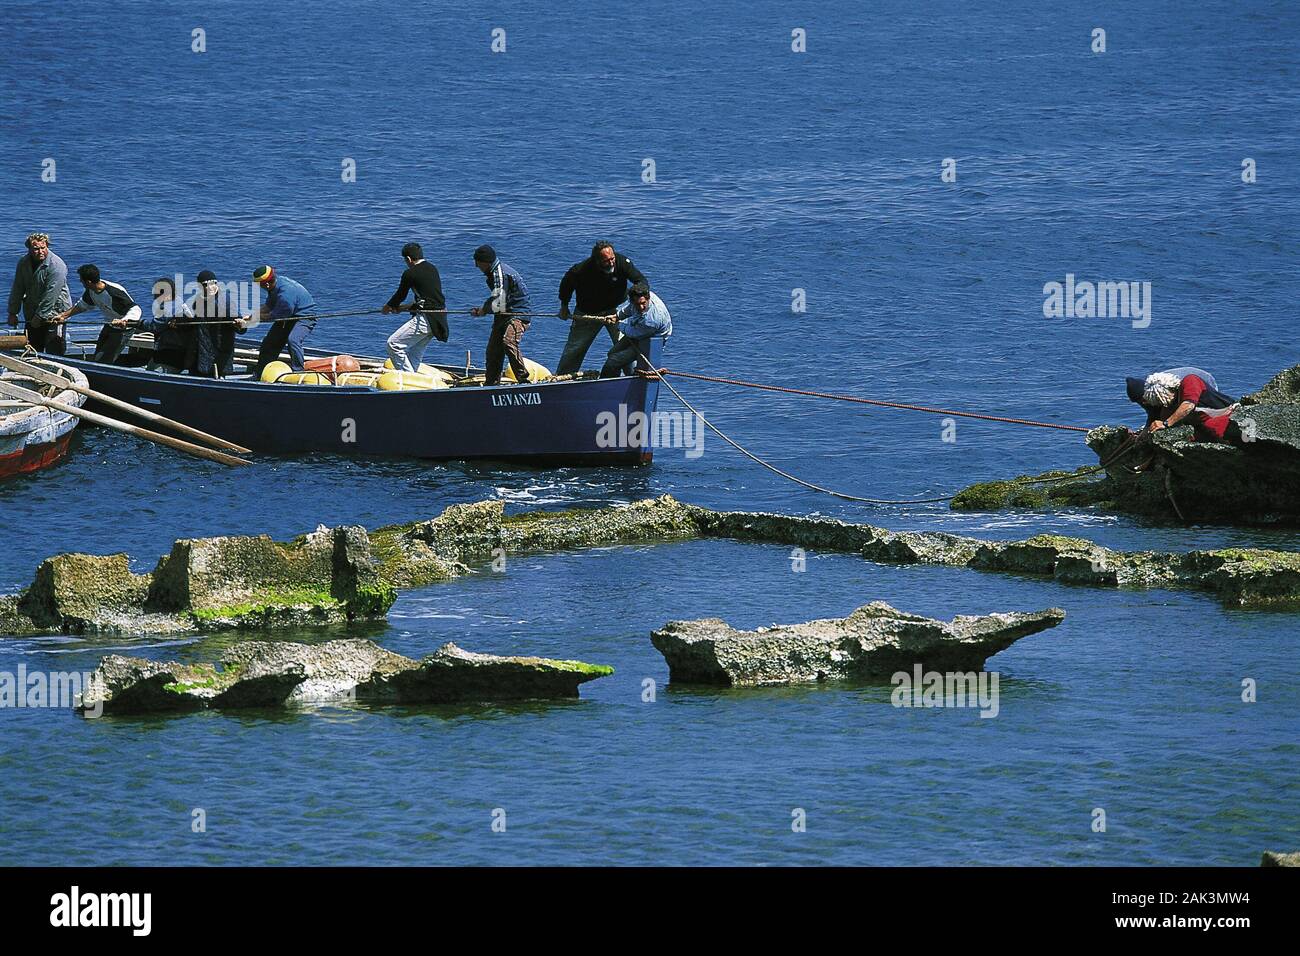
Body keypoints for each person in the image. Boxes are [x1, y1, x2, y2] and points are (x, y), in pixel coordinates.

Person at [556, 241, 647, 374]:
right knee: (575, 348)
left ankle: (634, 376)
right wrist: (564, 306)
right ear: (596, 261)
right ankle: (561, 378)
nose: (611, 263)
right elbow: (566, 286)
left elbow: (641, 281)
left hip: (618, 311)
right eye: (606, 261)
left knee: (626, 344)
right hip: (588, 313)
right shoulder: (580, 270)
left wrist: (636, 300)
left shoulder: (622, 262)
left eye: (612, 259)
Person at [469, 245, 533, 385]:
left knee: (508, 341)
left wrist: (483, 310)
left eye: (477, 262)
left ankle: (523, 379)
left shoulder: (499, 273)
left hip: (517, 314)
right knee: (493, 351)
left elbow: (499, 301)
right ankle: (491, 383)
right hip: (503, 315)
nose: (476, 266)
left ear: (485, 262)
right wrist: (484, 309)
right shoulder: (495, 271)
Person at [52, 264, 141, 364]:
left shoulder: (113, 292)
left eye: (81, 280)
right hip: (110, 325)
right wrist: (63, 316)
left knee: (105, 360)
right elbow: (82, 306)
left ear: (88, 282)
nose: (80, 281)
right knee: (98, 356)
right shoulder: (91, 290)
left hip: (123, 329)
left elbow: (135, 309)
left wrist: (124, 320)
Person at [382, 242, 448, 371]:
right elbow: (429, 299)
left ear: (408, 259)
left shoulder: (410, 273)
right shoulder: (432, 268)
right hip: (439, 320)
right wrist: (403, 308)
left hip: (425, 319)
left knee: (393, 344)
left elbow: (400, 295)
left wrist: (388, 307)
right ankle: (413, 377)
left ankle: (408, 378)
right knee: (414, 353)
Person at [1126, 369, 1239, 442]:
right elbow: (1155, 415)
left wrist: (1165, 424)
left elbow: (1188, 405)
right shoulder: (1167, 405)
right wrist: (1146, 432)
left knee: (1213, 429)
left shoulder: (1190, 381)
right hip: (1203, 423)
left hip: (1228, 414)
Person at [7, 232, 71, 354]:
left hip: (55, 314)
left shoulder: (56, 265)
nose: (40, 251)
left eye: (43, 248)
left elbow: (51, 294)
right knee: (32, 349)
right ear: (29, 249)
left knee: (55, 348)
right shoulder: (23, 263)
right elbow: (18, 288)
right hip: (32, 312)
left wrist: (40, 316)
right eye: (36, 249)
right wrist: (13, 312)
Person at [246, 265, 316, 377]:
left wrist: (256, 318)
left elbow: (274, 316)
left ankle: (298, 372)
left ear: (266, 284)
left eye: (259, 285)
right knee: (269, 343)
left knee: (293, 340)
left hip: (304, 317)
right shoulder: (274, 286)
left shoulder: (285, 294)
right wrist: (252, 316)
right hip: (287, 315)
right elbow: (269, 305)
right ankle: (261, 372)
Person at [114, 277, 194, 372]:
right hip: (175, 351)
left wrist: (130, 322)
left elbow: (154, 326)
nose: (154, 298)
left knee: (154, 374)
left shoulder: (169, 307)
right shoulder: (179, 303)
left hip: (169, 354)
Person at [600, 282, 672, 378]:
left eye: (643, 303)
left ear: (648, 299)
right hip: (639, 329)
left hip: (650, 341)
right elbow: (630, 308)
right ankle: (628, 377)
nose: (641, 307)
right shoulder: (643, 297)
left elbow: (632, 333)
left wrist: (618, 325)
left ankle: (607, 384)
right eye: (637, 304)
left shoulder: (652, 320)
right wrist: (617, 316)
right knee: (612, 353)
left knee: (613, 361)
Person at [187, 270, 239, 378]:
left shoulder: (225, 302)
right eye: (206, 284)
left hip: (218, 356)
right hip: (199, 353)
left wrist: (240, 324)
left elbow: (240, 326)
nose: (211, 287)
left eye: (214, 283)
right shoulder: (198, 300)